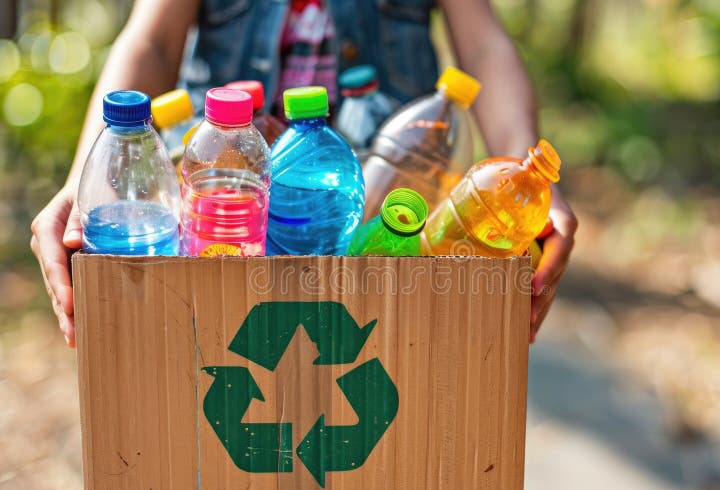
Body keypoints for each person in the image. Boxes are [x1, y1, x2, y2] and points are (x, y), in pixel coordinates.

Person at [30, 0, 578, 347]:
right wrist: (84, 184)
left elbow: (483, 44)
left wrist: (522, 174)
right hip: (226, 212)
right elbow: (152, 40)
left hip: (381, 223)